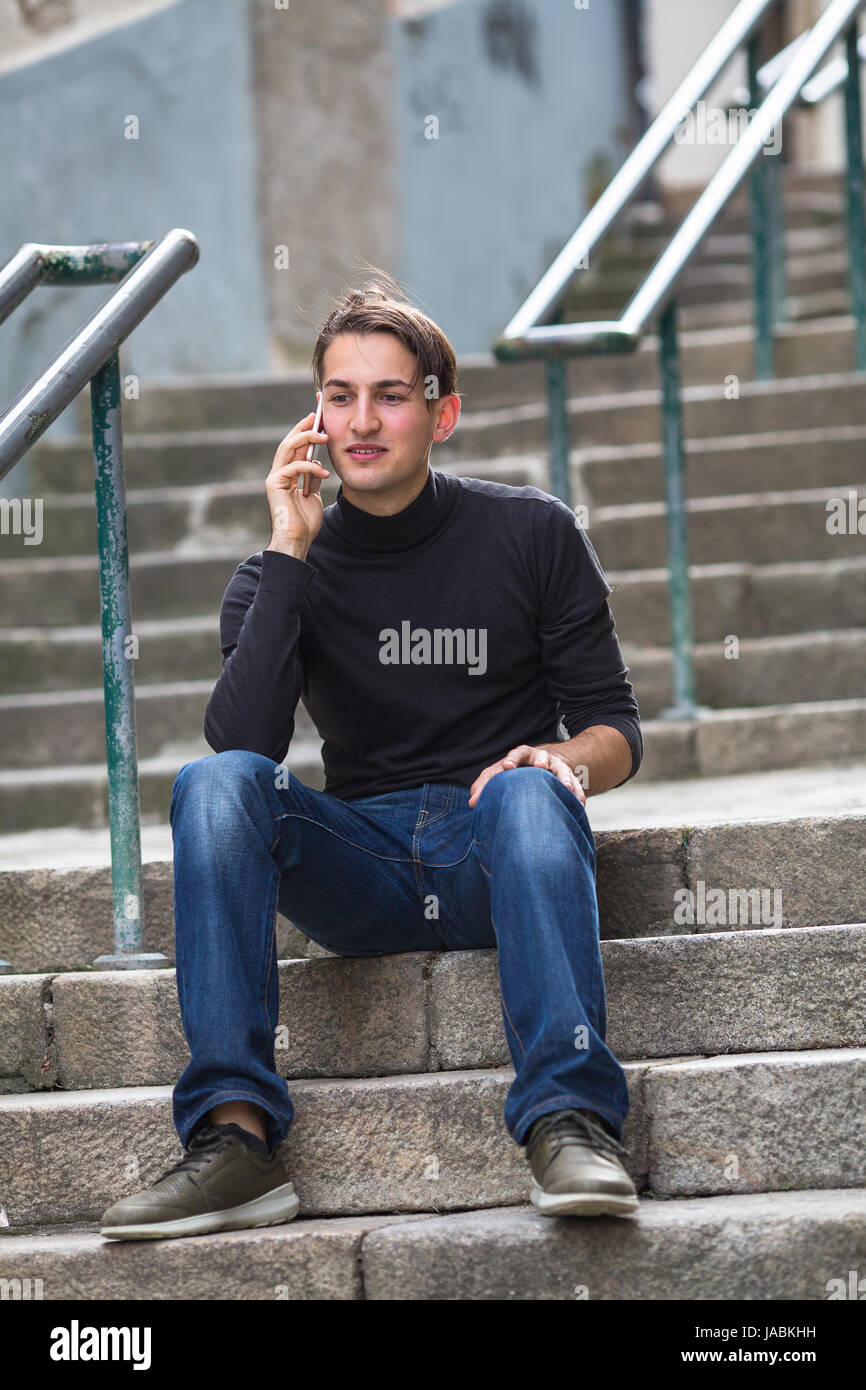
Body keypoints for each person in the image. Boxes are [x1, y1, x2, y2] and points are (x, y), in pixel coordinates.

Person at [100, 276, 643, 1241]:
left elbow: (614, 731)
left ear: (443, 413)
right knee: (208, 782)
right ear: (314, 415)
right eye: (339, 396)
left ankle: (571, 1120)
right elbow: (245, 753)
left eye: (390, 395)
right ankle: (233, 1141)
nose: (361, 420)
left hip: (500, 840)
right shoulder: (281, 568)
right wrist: (289, 553)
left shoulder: (534, 533)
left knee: (527, 791)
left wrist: (556, 764)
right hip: (367, 864)